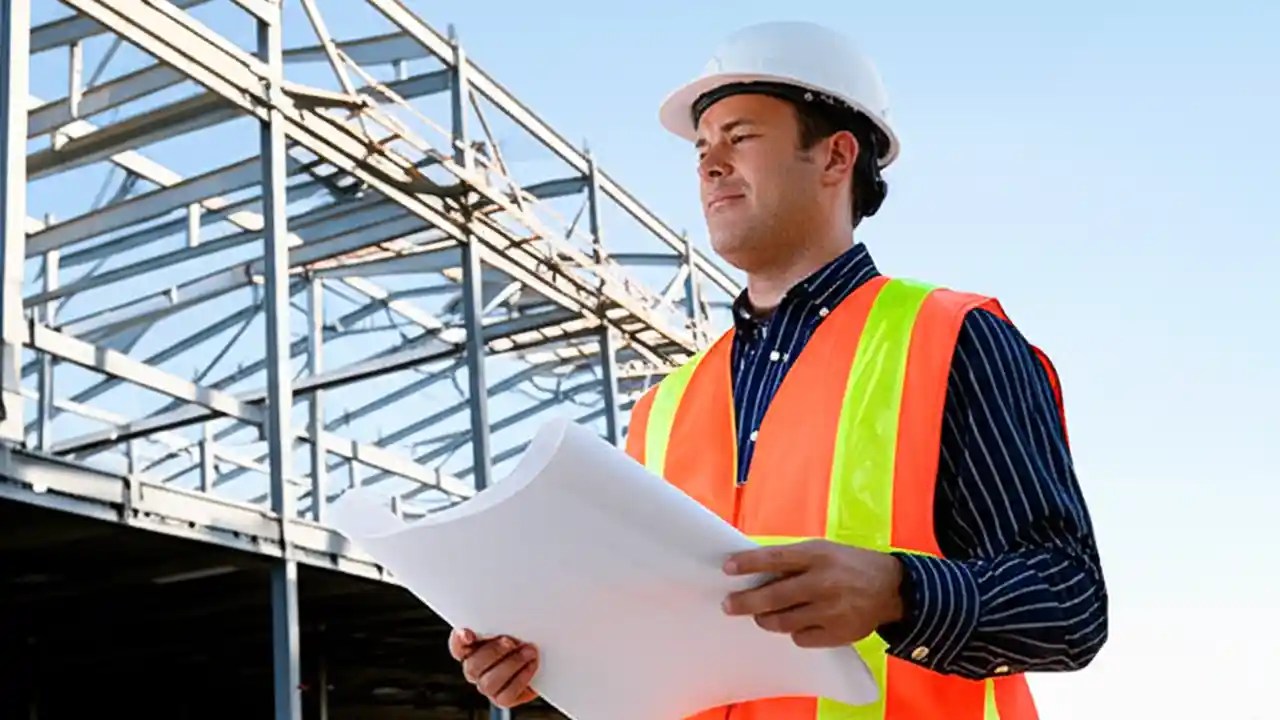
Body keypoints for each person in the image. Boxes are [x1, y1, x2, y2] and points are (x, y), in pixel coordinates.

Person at [447, 20, 1108, 718]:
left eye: (741, 137)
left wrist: (899, 591)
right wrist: (548, 661)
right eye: (702, 148)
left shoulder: (953, 340)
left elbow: (1069, 601)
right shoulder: (663, 410)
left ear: (835, 156)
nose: (708, 164)